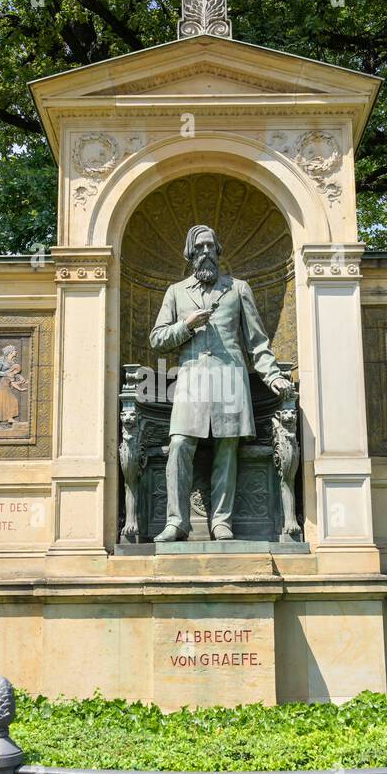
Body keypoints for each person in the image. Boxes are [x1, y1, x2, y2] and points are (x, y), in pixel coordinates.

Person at [147, 224, 291, 541]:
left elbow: (257, 343)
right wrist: (185, 325)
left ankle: (221, 521)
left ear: (218, 250)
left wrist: (273, 376)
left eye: (210, 247)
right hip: (191, 381)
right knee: (181, 444)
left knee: (227, 449)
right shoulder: (175, 292)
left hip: (230, 378)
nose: (205, 253)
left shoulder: (238, 289)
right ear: (190, 254)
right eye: (199, 248)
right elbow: (157, 339)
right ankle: (176, 521)